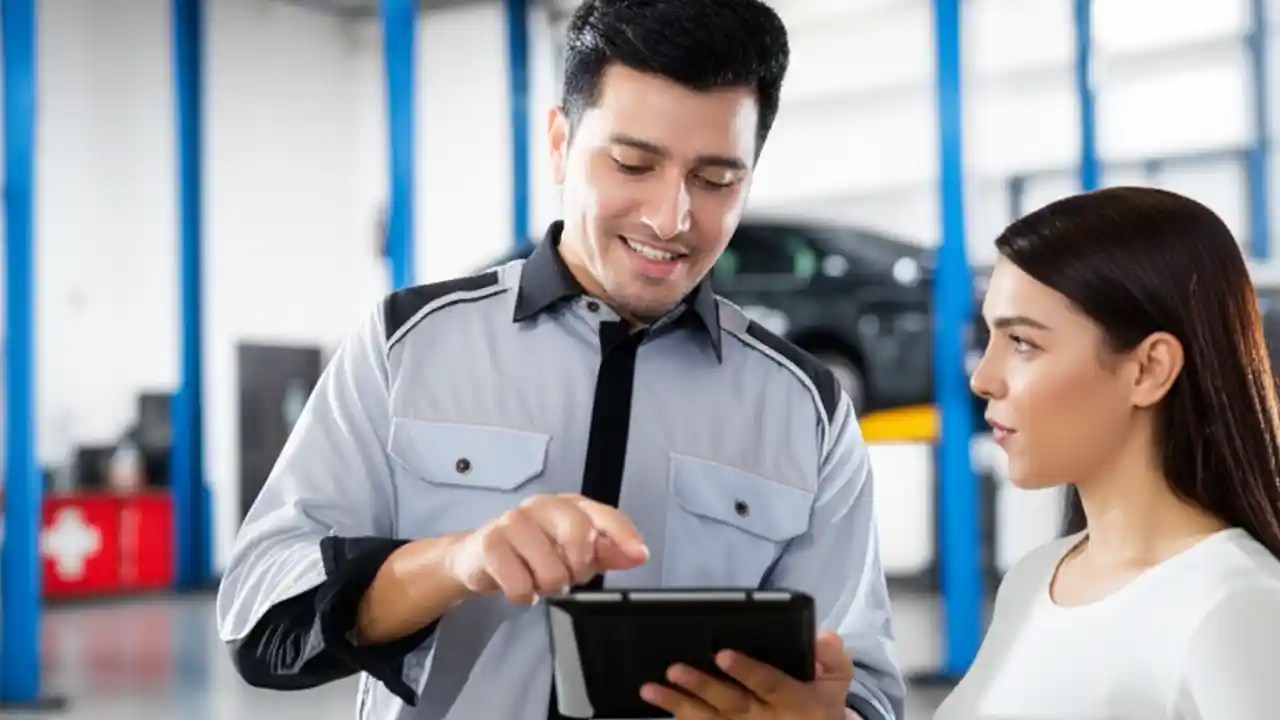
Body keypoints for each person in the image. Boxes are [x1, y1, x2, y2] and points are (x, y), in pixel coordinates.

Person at [215, 1, 906, 719]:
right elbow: (262, 612)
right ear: (558, 143)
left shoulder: (807, 413)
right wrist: (456, 562)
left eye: (716, 180)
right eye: (633, 163)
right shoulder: (409, 346)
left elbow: (869, 690)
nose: (671, 219)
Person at [935, 186, 1280, 719]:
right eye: (989, 338)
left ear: (1148, 370)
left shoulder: (1236, 606)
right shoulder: (1035, 579)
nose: (983, 378)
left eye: (1022, 343)